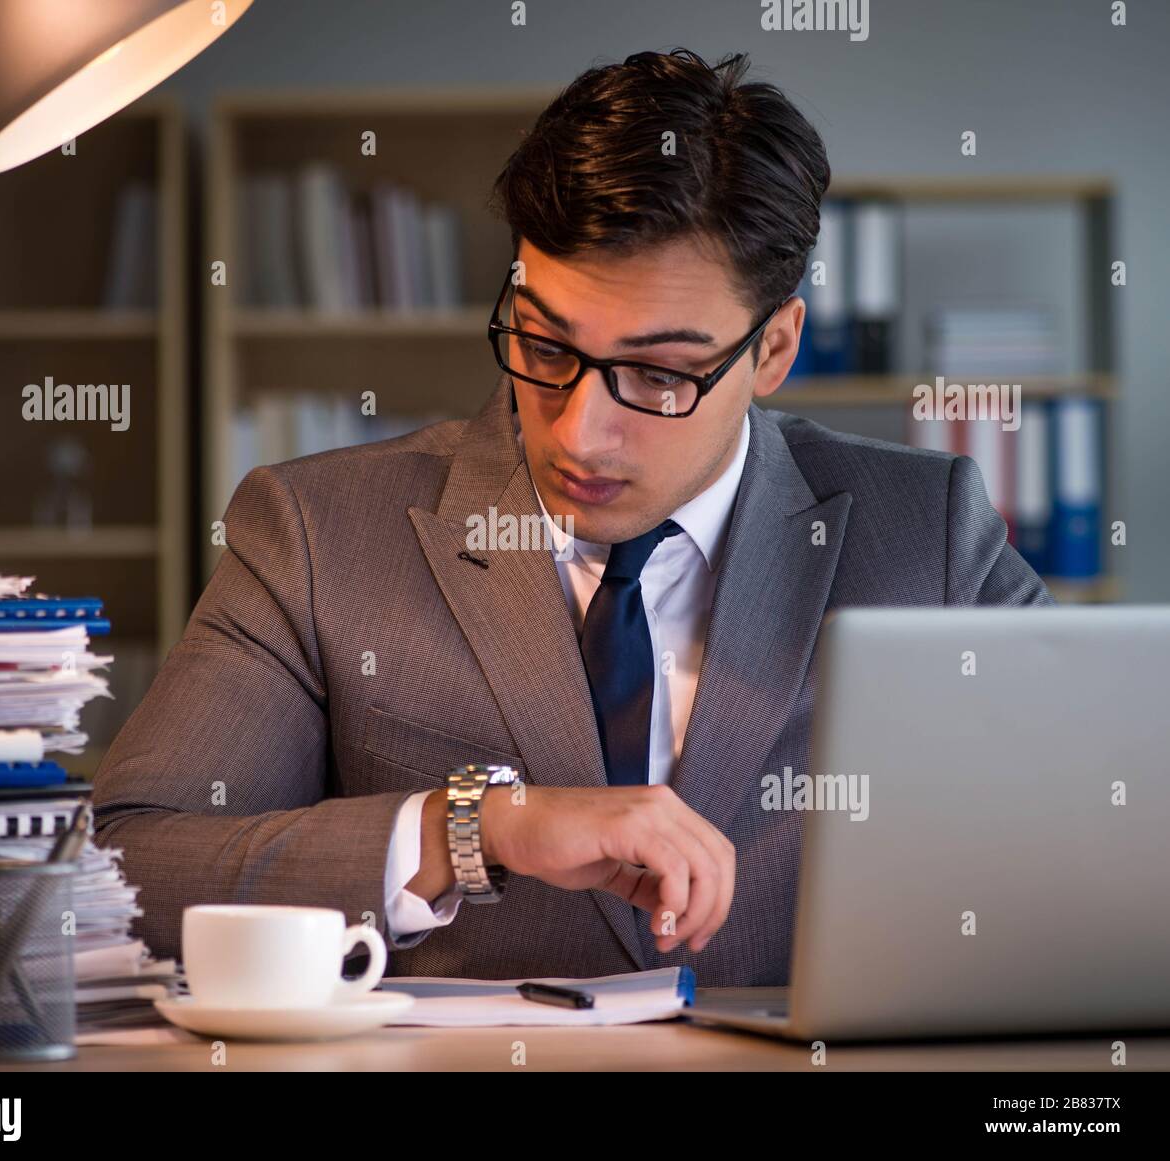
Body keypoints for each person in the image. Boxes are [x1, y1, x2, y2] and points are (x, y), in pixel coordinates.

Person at [92, 48, 1053, 986]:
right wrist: (470, 829)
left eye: (660, 373)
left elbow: (1100, 833)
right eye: (546, 346)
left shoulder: (925, 535)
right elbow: (123, 867)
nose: (581, 433)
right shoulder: (316, 532)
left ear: (773, 350)